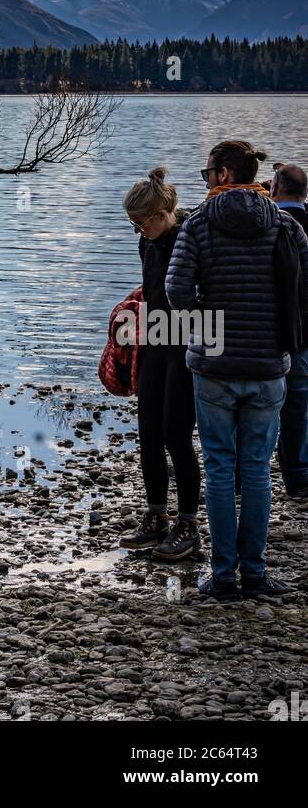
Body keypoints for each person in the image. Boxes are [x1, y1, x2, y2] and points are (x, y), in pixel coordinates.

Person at [166, 139, 308, 600]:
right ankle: (256, 572)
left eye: (207, 172)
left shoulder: (198, 225)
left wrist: (210, 314)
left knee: (221, 468)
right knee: (257, 469)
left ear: (224, 174)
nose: (205, 179)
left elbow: (177, 293)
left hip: (214, 362)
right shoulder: (286, 226)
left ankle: (223, 576)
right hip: (269, 364)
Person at [119, 168, 202, 560]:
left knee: (177, 434)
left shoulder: (190, 237)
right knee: (148, 431)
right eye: (132, 223)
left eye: (142, 222)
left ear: (163, 212)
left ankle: (188, 523)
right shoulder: (148, 243)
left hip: (187, 341)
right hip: (155, 339)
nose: (138, 230)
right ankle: (156, 516)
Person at [270, 163, 308, 499]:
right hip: (305, 332)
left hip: (265, 331)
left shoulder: (269, 224)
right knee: (298, 404)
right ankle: (296, 476)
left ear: (275, 189)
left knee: (256, 405)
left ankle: (242, 475)